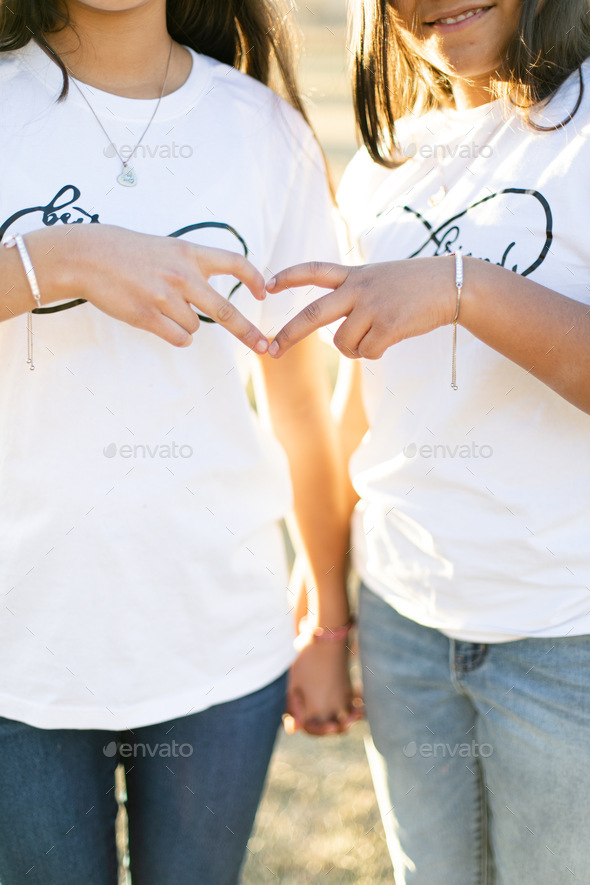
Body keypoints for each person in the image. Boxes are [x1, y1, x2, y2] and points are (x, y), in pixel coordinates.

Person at [0, 2, 355, 883]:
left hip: (219, 641)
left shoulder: (261, 128)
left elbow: (300, 399)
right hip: (18, 648)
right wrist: (61, 260)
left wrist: (328, 618)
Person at [266, 1, 590, 883]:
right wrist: (327, 616)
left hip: (564, 634)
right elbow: (359, 409)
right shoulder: (385, 166)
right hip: (406, 625)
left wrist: (465, 290)